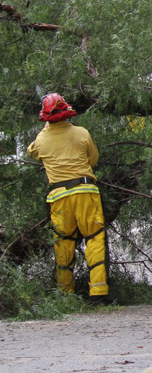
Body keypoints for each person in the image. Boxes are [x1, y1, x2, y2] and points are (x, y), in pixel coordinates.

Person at [26, 93, 109, 303]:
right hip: (85, 191)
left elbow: (31, 153)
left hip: (59, 196)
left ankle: (65, 294)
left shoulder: (41, 140)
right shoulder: (81, 133)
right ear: (67, 112)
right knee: (94, 237)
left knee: (63, 242)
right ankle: (98, 292)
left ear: (45, 117)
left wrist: (47, 129)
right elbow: (94, 159)